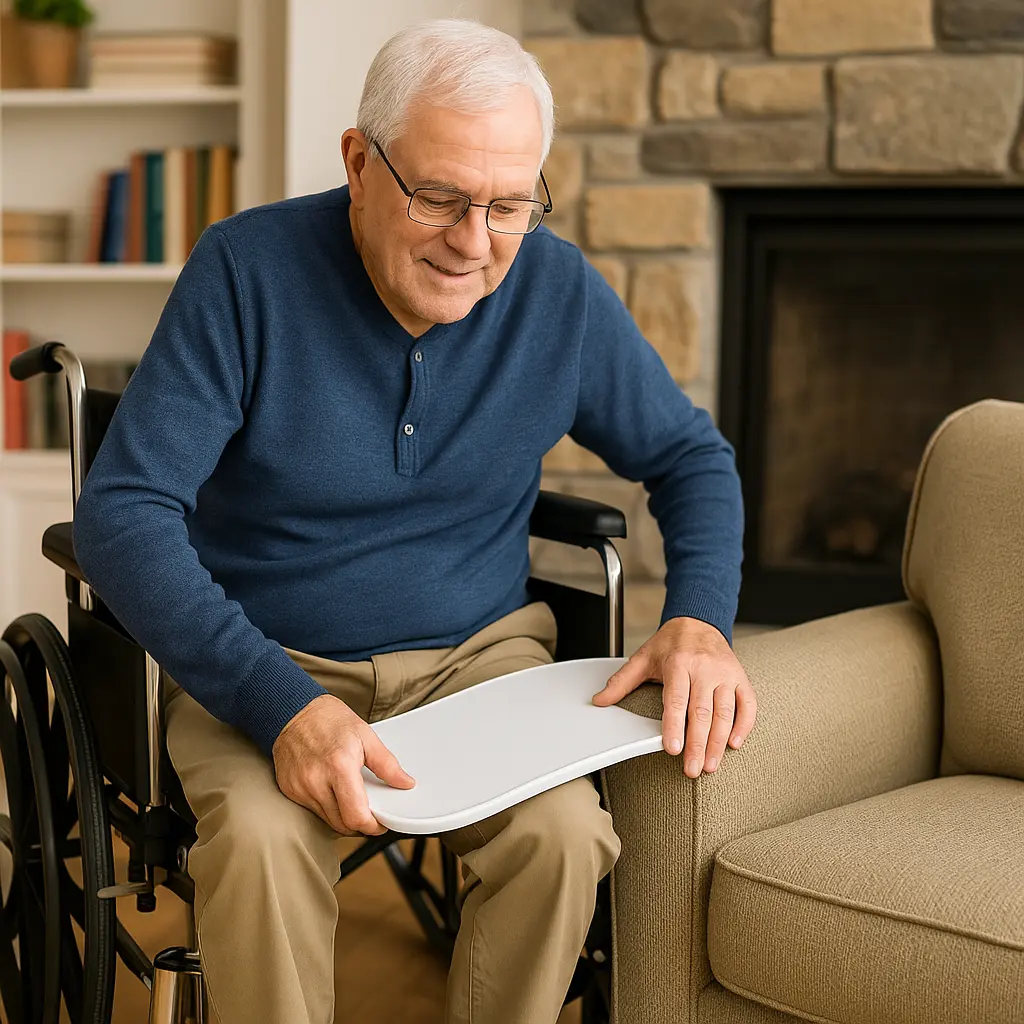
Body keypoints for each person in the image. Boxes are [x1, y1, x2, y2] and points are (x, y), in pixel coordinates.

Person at [72, 18, 757, 1024]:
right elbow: (123, 514)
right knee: (261, 848)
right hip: (269, 660)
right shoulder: (244, 274)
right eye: (438, 196)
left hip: (478, 660)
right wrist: (280, 703)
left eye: (508, 205)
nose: (473, 244)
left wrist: (699, 618)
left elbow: (691, 457)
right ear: (359, 161)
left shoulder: (555, 292)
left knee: (564, 838)